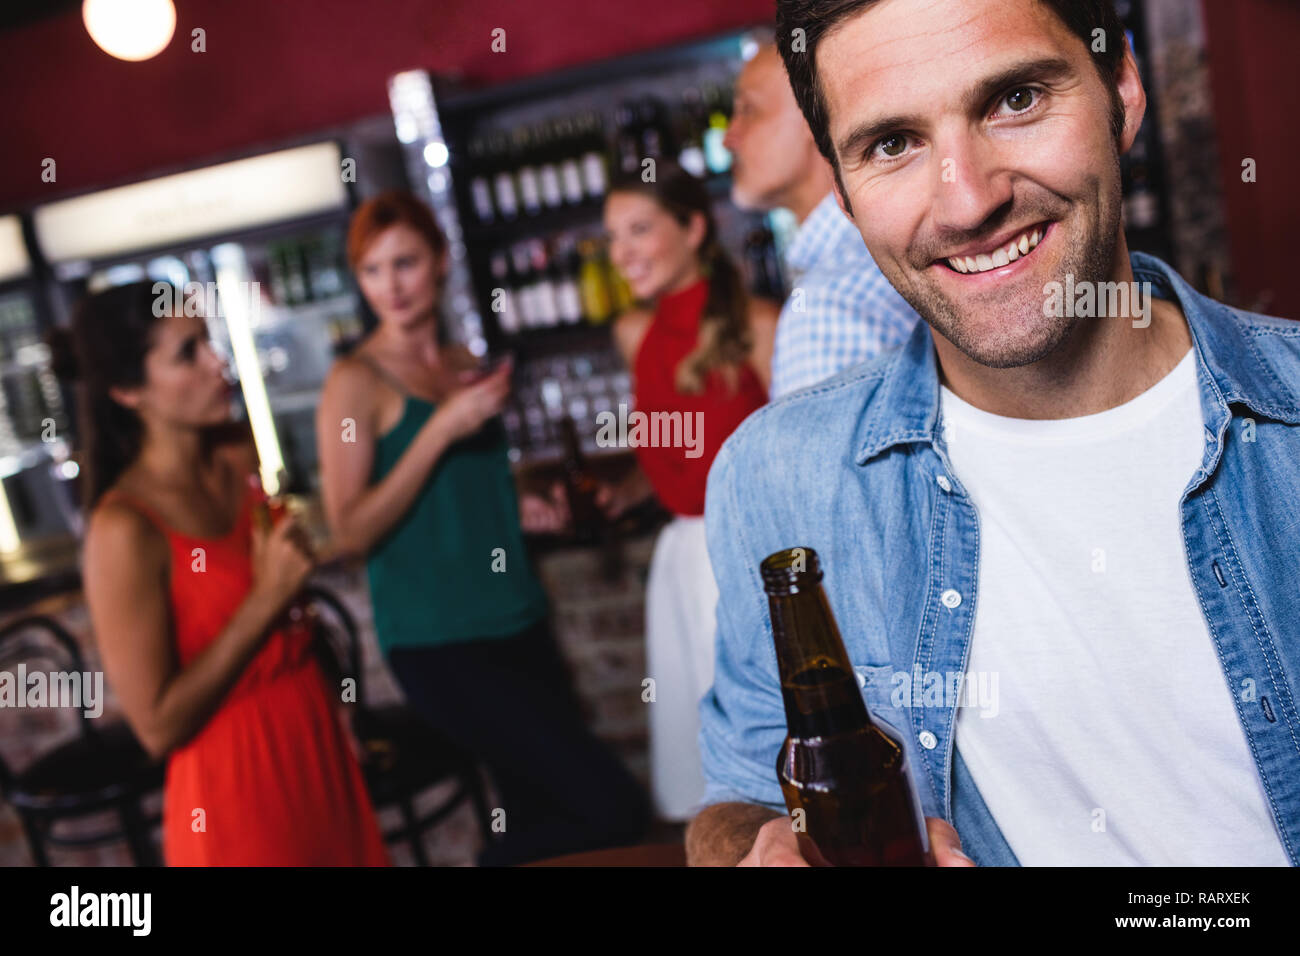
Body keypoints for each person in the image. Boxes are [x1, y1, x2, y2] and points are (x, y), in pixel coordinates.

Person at [689, 0, 1300, 867]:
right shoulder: (778, 477)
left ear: (1121, 88)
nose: (969, 201)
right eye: (892, 144)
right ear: (839, 185)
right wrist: (753, 852)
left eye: (1015, 99)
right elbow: (743, 790)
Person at [316, 190, 649, 866]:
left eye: (406, 262)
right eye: (373, 270)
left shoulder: (467, 363)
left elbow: (477, 487)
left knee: (539, 813)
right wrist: (440, 428)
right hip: (440, 641)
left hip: (518, 617)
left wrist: (525, 501)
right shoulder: (355, 382)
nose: (392, 285)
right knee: (611, 808)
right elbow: (349, 530)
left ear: (439, 262)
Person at [65, 280, 388, 866]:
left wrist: (338, 707)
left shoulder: (239, 454)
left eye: (209, 342)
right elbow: (158, 727)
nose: (219, 363)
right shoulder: (124, 528)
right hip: (235, 785)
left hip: (315, 743)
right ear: (126, 389)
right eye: (187, 353)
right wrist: (265, 599)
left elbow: (293, 607)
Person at [600, 162, 778, 821]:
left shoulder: (760, 324)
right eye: (613, 236)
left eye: (640, 229)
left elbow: (795, 460)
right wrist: (623, 494)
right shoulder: (633, 333)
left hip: (751, 556)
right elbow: (670, 449)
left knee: (771, 756)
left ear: (694, 228)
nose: (622, 253)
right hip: (678, 560)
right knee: (704, 769)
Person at [725, 37, 919, 397]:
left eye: (748, 110)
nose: (728, 138)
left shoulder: (825, 311)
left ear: (812, 118)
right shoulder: (883, 245)